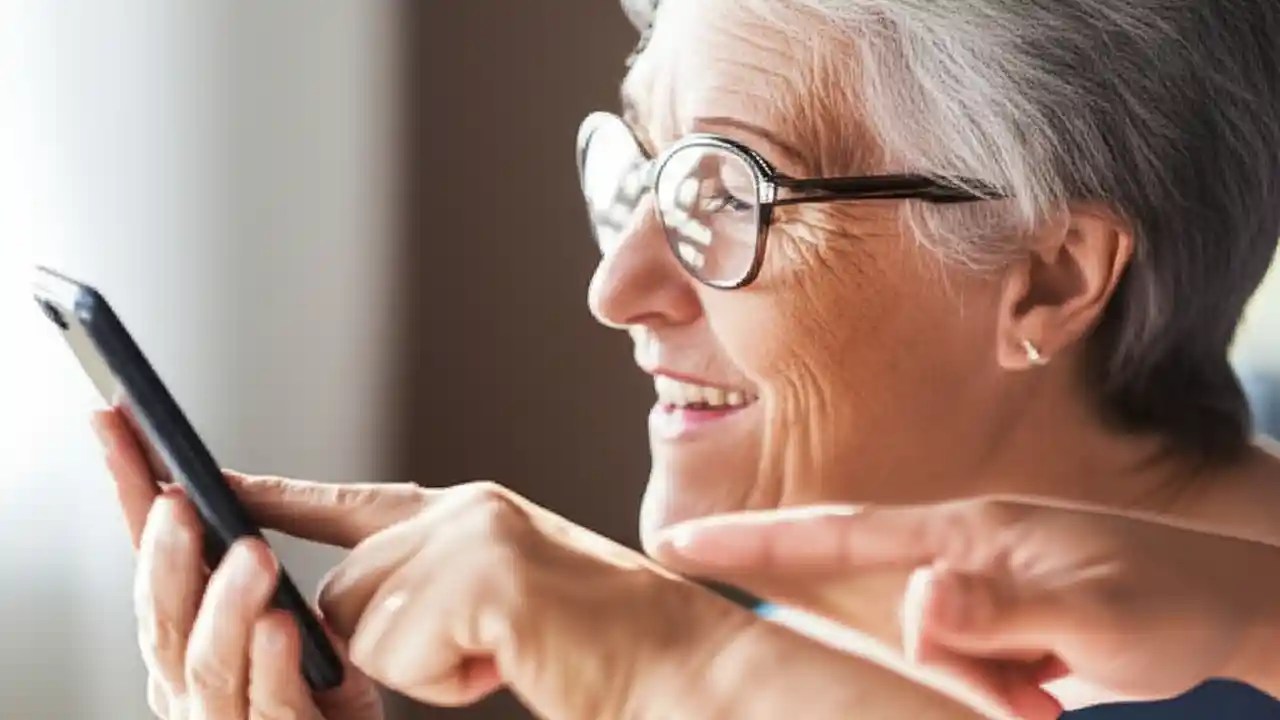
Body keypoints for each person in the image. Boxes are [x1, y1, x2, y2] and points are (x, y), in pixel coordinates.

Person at [93, 0, 1280, 717]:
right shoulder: (825, 616)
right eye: (647, 171)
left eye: (726, 189)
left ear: (1050, 276)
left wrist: (679, 674)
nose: (615, 291)